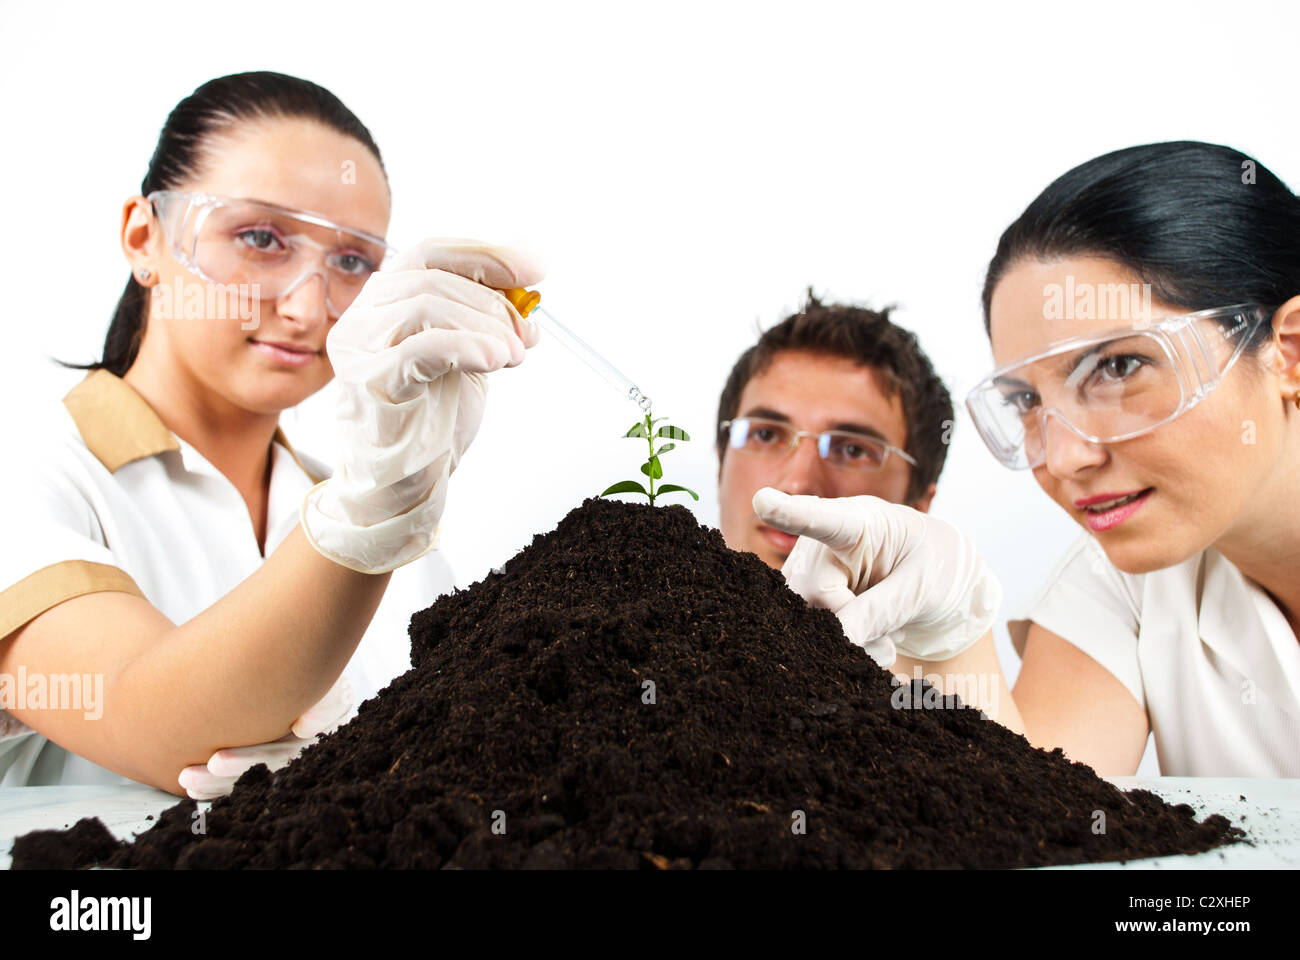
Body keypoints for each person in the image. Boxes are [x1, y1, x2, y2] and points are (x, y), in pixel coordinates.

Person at [0, 72, 541, 796]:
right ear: (143, 238)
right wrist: (370, 511)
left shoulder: (375, 516)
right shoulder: (32, 472)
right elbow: (144, 710)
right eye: (260, 237)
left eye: (351, 262)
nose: (306, 307)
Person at [967, 141, 1300, 777]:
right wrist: (948, 634)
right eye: (1026, 401)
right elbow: (1031, 826)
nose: (1064, 459)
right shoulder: (1119, 578)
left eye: (1119, 367)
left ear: (1288, 352)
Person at [716, 293, 1024, 731]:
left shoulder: (925, 710)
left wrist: (953, 640)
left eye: (852, 448)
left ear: (919, 504)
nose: (798, 482)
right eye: (766, 433)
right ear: (720, 461)